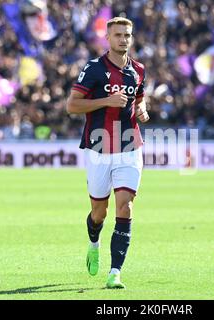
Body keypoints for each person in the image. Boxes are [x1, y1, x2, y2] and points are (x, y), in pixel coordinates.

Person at [66, 17, 149, 289]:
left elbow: (139, 97)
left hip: (129, 146)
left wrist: (142, 108)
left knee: (125, 206)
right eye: (117, 35)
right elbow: (72, 106)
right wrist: (106, 101)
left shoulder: (138, 70)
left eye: (127, 34)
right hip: (99, 148)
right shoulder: (93, 69)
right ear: (107, 38)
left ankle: (115, 272)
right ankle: (93, 242)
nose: (123, 39)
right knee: (99, 213)